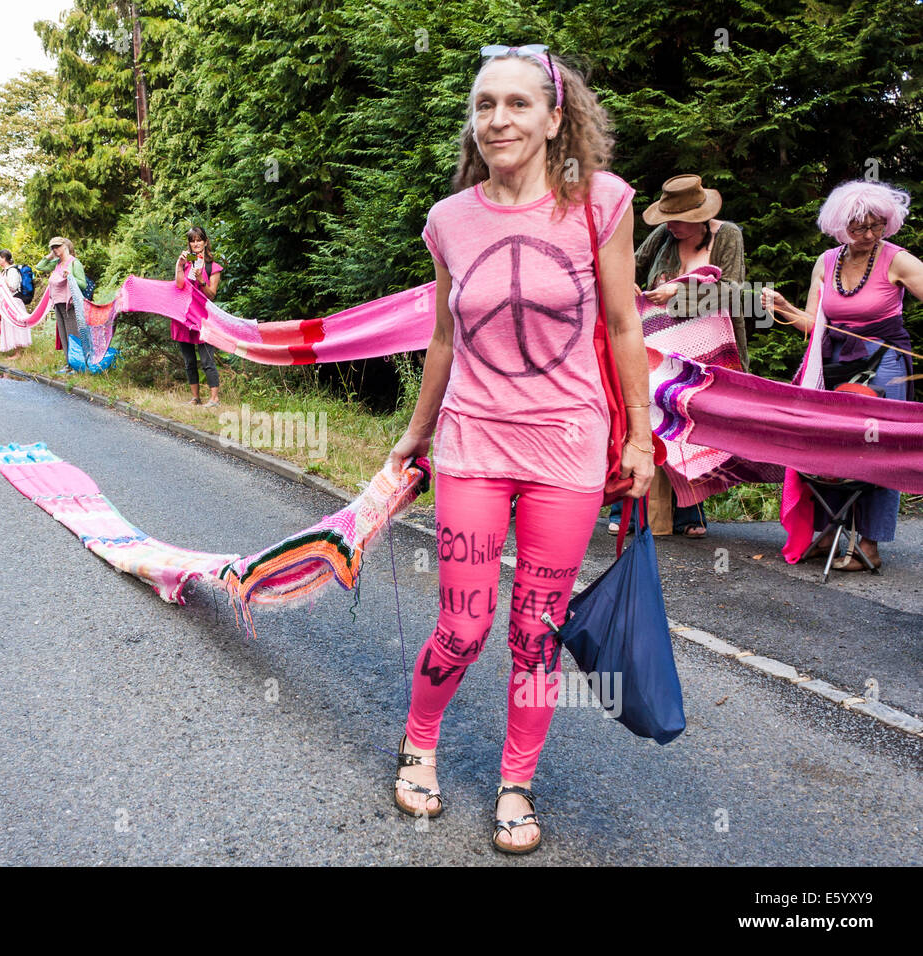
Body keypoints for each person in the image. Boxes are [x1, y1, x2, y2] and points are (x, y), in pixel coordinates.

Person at [385, 45, 653, 854]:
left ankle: (516, 783)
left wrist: (642, 433)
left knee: (536, 632)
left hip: (568, 445)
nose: (498, 119)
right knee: (464, 624)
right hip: (473, 440)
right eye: (484, 105)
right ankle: (419, 744)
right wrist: (412, 435)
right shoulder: (449, 220)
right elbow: (441, 340)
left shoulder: (601, 203)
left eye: (517, 104)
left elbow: (622, 322)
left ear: (553, 117)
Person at [762, 180, 923, 573]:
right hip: (834, 362)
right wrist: (784, 307)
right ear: (839, 226)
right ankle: (831, 534)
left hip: (883, 363)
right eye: (858, 227)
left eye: (876, 226)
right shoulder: (827, 262)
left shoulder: (897, 260)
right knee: (831, 449)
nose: (868, 235)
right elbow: (813, 324)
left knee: (879, 451)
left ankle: (869, 543)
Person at [609, 174, 748, 537]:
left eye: (679, 221)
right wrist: (629, 286)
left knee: (693, 422)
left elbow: (733, 292)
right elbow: (628, 266)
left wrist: (679, 294)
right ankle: (628, 506)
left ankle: (690, 512)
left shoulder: (728, 235)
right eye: (667, 220)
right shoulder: (663, 236)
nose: (672, 227)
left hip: (709, 350)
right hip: (659, 346)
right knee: (650, 418)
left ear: (701, 216)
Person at [172, 227, 223, 406]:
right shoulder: (186, 263)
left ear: (205, 242)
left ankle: (214, 398)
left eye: (199, 240)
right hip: (184, 317)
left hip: (202, 318)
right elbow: (179, 285)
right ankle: (195, 397)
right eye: (192, 241)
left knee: (207, 359)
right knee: (189, 361)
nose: (196, 244)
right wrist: (179, 265)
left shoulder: (212, 267)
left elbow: (211, 295)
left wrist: (201, 278)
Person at [34, 236, 88, 373]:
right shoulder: (56, 263)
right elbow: (39, 267)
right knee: (63, 336)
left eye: (57, 246)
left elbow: (83, 284)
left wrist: (70, 276)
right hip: (58, 303)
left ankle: (79, 366)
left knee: (73, 335)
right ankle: (69, 364)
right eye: (52, 247)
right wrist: (50, 255)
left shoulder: (74, 263)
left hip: (71, 304)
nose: (55, 249)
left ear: (65, 246)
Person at [0, 249, 30, 353]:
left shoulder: (12, 271)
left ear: (4, 258)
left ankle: (18, 352)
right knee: (10, 326)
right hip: (7, 303)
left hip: (15, 302)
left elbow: (13, 286)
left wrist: (3, 280)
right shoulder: (4, 271)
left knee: (16, 326)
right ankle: (15, 349)